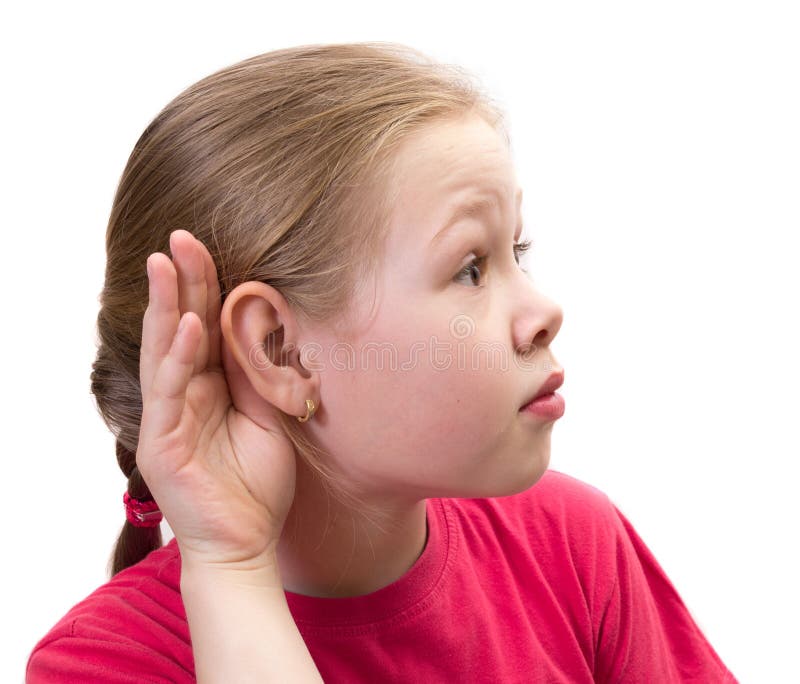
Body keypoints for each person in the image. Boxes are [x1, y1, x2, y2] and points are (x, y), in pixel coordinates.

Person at [26, 42, 738, 683]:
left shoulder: (571, 543)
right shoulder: (110, 663)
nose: (545, 312)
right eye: (469, 268)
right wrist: (231, 568)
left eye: (515, 253)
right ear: (282, 350)